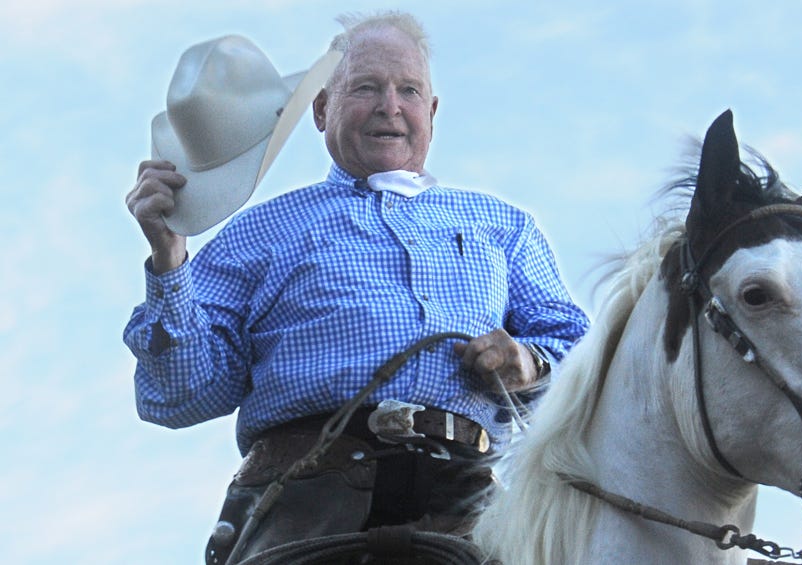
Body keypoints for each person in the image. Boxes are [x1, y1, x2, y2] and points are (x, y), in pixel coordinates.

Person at [123, 11, 590, 563]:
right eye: (366, 88)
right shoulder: (259, 232)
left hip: (469, 502)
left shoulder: (503, 225)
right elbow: (177, 396)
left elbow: (582, 361)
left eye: (409, 90)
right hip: (306, 502)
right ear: (323, 109)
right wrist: (170, 258)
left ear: (432, 114)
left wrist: (529, 364)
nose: (390, 106)